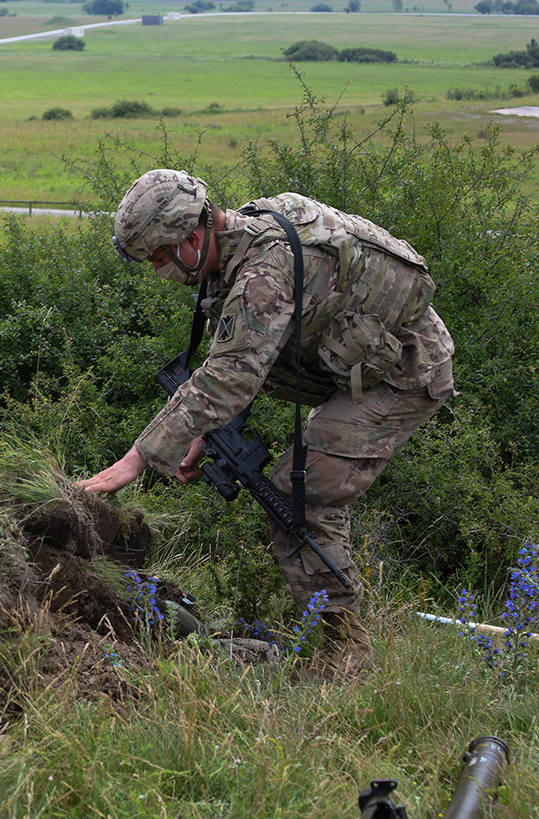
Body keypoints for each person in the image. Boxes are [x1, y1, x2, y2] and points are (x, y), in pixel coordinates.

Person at [78, 169, 455, 678]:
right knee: (301, 490)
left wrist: (136, 459)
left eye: (160, 259)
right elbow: (236, 352)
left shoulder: (263, 272)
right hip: (356, 365)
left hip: (403, 373)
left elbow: (231, 377)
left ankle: (345, 657)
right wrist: (200, 431)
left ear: (191, 237)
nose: (158, 271)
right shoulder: (238, 238)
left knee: (300, 496)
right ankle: (331, 629)